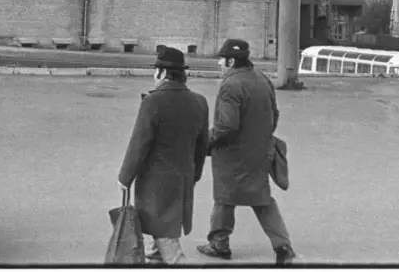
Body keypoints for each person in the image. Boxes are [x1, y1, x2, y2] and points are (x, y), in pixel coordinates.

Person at [198, 38, 296, 265]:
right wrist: (261, 138)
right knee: (262, 200)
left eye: (222, 61)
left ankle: (219, 243)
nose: (220, 66)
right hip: (260, 152)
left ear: (231, 61)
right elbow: (275, 115)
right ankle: (283, 246)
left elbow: (226, 127)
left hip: (232, 155)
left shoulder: (231, 85)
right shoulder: (262, 80)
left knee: (224, 197)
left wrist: (204, 142)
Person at [118, 46, 210, 265]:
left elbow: (139, 144)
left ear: (161, 73)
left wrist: (125, 178)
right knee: (158, 241)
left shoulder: (153, 102)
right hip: (183, 179)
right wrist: (194, 175)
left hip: (155, 184)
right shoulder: (200, 102)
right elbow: (201, 145)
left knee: (166, 241)